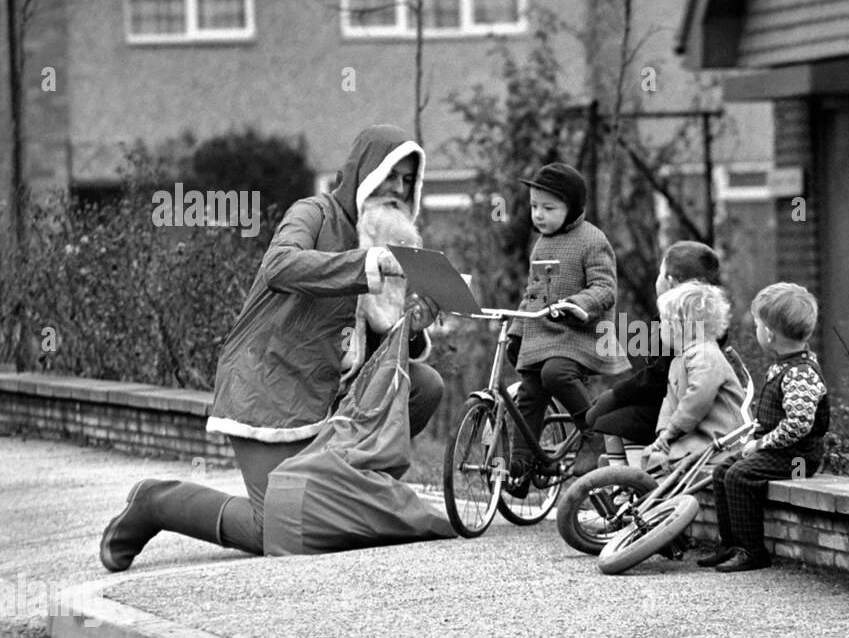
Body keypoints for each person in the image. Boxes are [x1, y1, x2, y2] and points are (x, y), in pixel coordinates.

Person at [100, 124, 443, 571]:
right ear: (364, 173)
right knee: (276, 528)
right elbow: (279, 265)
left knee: (423, 385)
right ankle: (155, 503)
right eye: (390, 176)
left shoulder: (389, 243)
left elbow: (379, 349)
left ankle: (350, 492)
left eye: (408, 181)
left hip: (337, 400)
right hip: (272, 389)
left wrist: (411, 329)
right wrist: (367, 263)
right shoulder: (314, 213)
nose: (398, 189)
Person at [504, 162, 627, 496]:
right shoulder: (541, 245)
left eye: (548, 208)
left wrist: (577, 303)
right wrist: (516, 329)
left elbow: (605, 289)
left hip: (581, 335)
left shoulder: (592, 241)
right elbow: (532, 294)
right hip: (544, 334)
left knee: (556, 374)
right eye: (533, 207)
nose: (538, 215)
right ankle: (521, 464)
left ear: (571, 207)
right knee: (529, 392)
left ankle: (591, 434)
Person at [703, 282, 831, 573]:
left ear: (770, 335)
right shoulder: (785, 364)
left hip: (798, 456)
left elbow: (798, 425)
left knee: (739, 476)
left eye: (759, 326)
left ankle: (753, 551)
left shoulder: (799, 373)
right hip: (780, 449)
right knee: (723, 470)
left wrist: (760, 444)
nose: (757, 331)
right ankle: (730, 544)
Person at [585, 240, 723, 467]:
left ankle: (640, 486)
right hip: (670, 402)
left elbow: (660, 375)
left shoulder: (690, 329)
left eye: (660, 272)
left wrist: (617, 395)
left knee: (623, 423)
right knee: (612, 421)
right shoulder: (686, 317)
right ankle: (623, 485)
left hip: (688, 412)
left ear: (670, 282)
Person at [639, 281, 745, 472]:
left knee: (660, 462)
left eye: (662, 321)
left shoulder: (706, 355)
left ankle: (655, 498)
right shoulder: (679, 360)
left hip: (722, 439)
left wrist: (672, 431)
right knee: (652, 455)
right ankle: (642, 495)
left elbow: (698, 398)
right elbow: (670, 402)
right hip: (698, 435)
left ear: (679, 326)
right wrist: (663, 433)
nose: (659, 327)